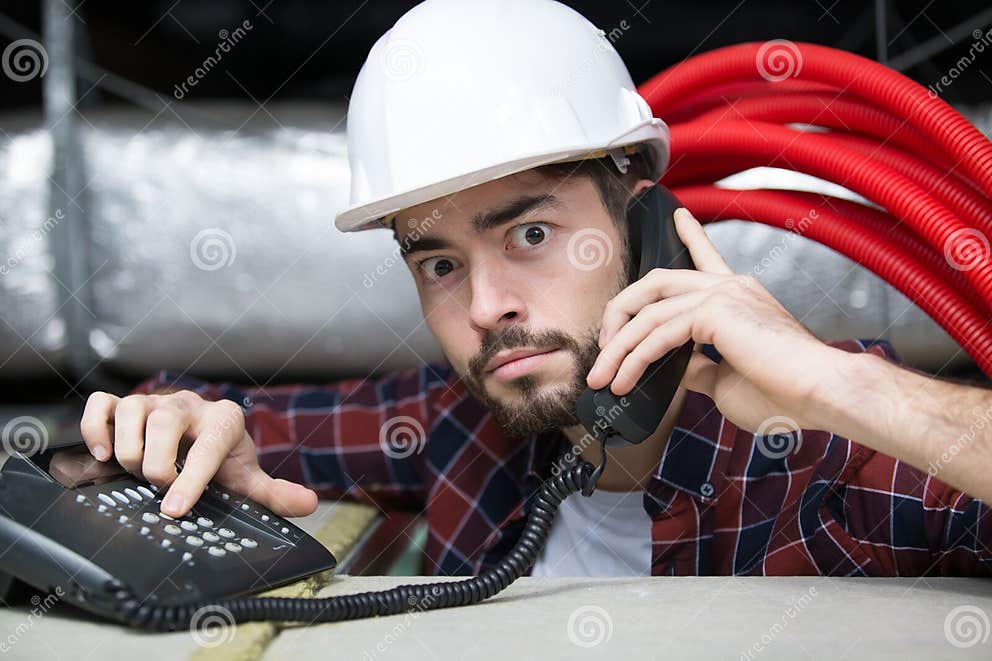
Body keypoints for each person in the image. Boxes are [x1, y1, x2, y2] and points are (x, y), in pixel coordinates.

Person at [73, 0, 991, 577]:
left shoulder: (836, 453)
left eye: (531, 233)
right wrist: (170, 432)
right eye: (439, 263)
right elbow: (147, 437)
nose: (484, 310)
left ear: (646, 218)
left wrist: (848, 389)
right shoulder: (457, 426)